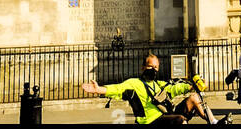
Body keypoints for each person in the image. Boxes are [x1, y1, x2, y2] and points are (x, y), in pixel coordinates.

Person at [84, 52, 219, 125]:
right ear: (143, 67)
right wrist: (99, 89)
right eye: (150, 66)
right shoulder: (134, 83)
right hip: (149, 121)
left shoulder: (159, 84)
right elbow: (118, 89)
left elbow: (175, 88)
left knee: (194, 98)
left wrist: (192, 85)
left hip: (164, 116)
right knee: (180, 120)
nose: (153, 69)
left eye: (155, 67)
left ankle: (214, 122)